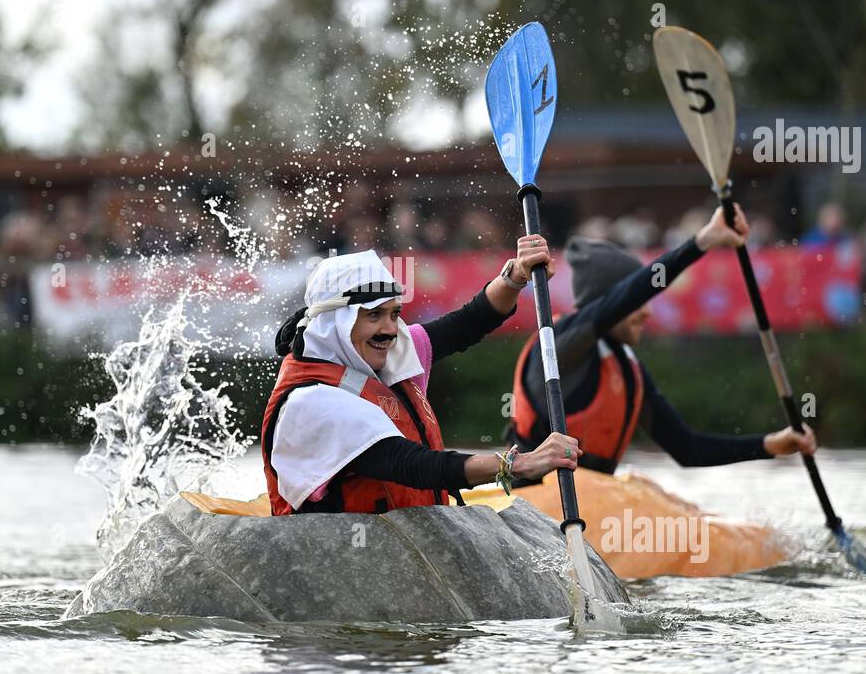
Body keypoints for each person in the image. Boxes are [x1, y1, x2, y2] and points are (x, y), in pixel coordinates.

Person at [263, 239, 583, 515]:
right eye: (374, 315)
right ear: (337, 322)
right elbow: (413, 465)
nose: (389, 330)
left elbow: (468, 323)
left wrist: (514, 277)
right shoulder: (311, 402)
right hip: (344, 563)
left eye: (394, 314)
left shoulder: (384, 350)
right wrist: (518, 465)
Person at [506, 206, 816, 476]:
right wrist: (701, 242)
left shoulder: (625, 367)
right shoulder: (560, 346)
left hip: (589, 511)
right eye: (637, 303)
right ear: (612, 304)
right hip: (532, 508)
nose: (648, 312)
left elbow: (687, 449)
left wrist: (771, 445)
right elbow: (633, 293)